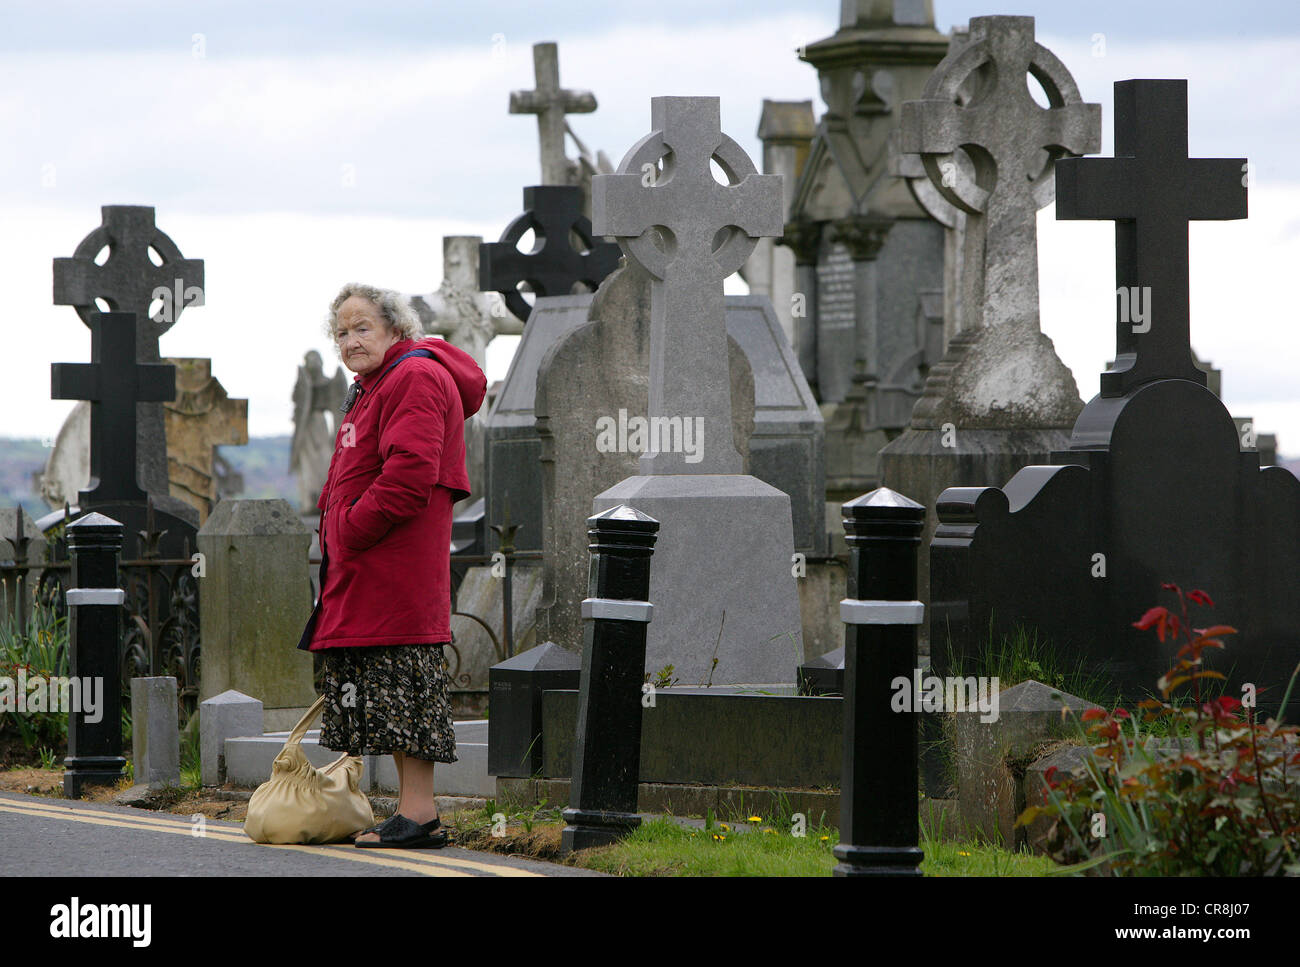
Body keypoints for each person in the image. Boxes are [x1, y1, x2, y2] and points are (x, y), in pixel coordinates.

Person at [297, 282, 486, 848]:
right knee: (391, 693)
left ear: (395, 328)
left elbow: (409, 475)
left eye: (362, 328)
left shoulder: (413, 376)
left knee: (407, 689)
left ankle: (420, 815)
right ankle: (412, 813)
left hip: (392, 569)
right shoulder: (376, 383)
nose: (350, 341)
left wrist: (350, 527)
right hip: (372, 570)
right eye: (341, 333)